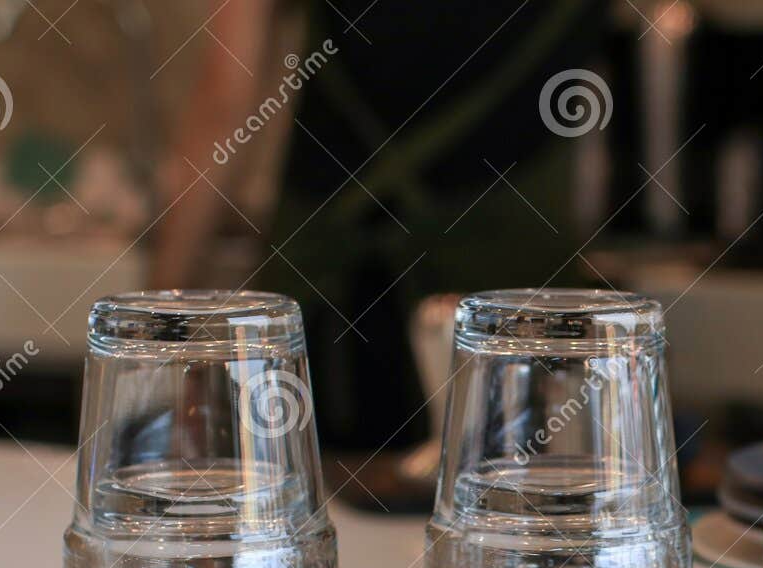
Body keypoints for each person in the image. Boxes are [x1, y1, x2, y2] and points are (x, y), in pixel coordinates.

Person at [153, 0, 604, 449]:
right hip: (520, 308)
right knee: (520, 503)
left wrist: (162, 327)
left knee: (321, 505)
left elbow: (225, 100)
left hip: (335, 314)